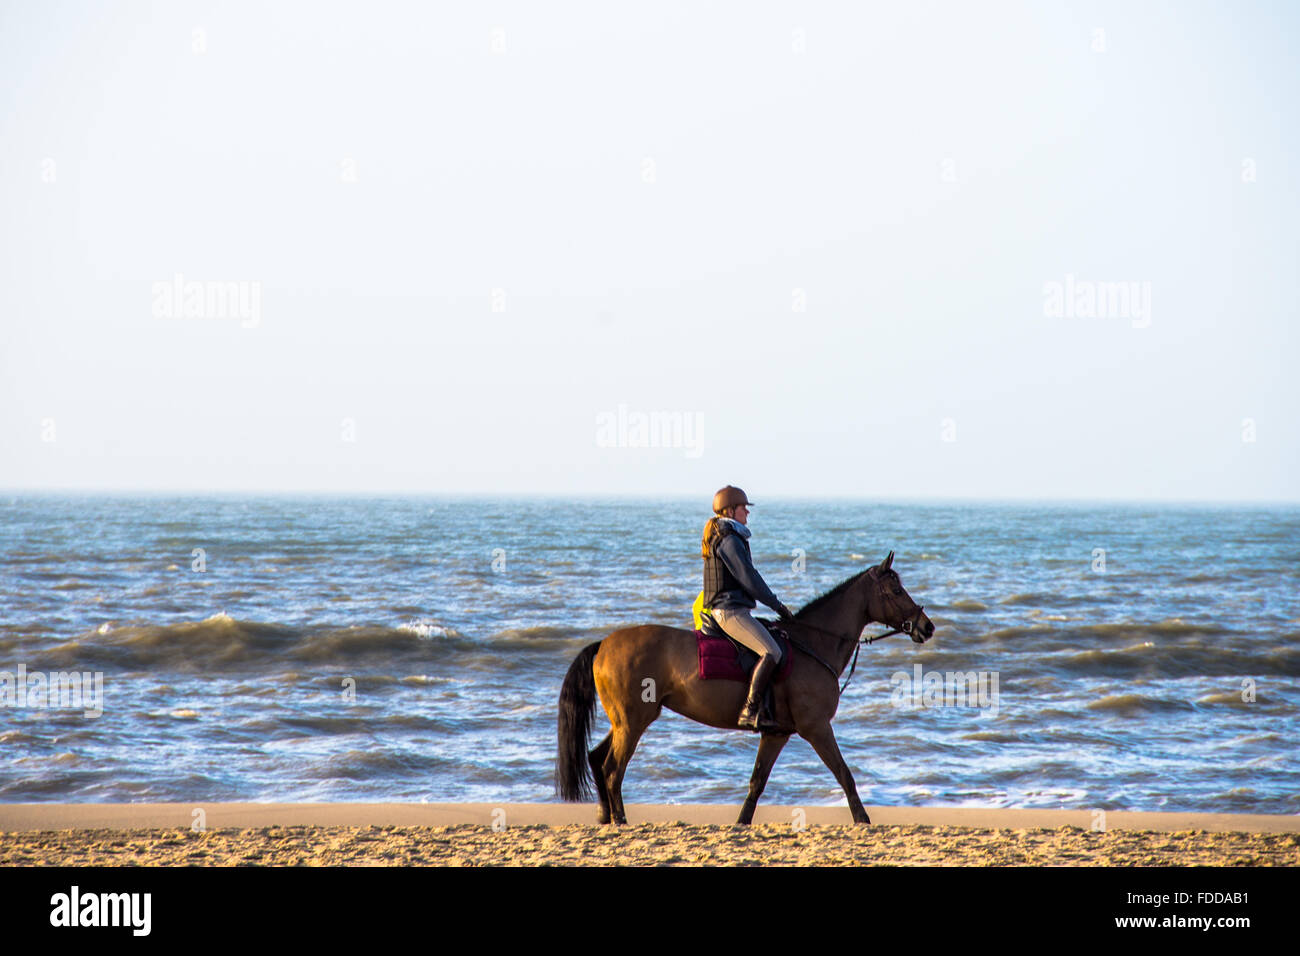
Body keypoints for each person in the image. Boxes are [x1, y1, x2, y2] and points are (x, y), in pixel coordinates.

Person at [700, 485, 794, 730]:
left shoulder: (728, 535)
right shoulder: (729, 539)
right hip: (729, 612)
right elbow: (749, 578)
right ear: (731, 510)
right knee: (772, 652)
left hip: (732, 609)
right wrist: (778, 605)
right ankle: (749, 710)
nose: (747, 513)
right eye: (744, 508)